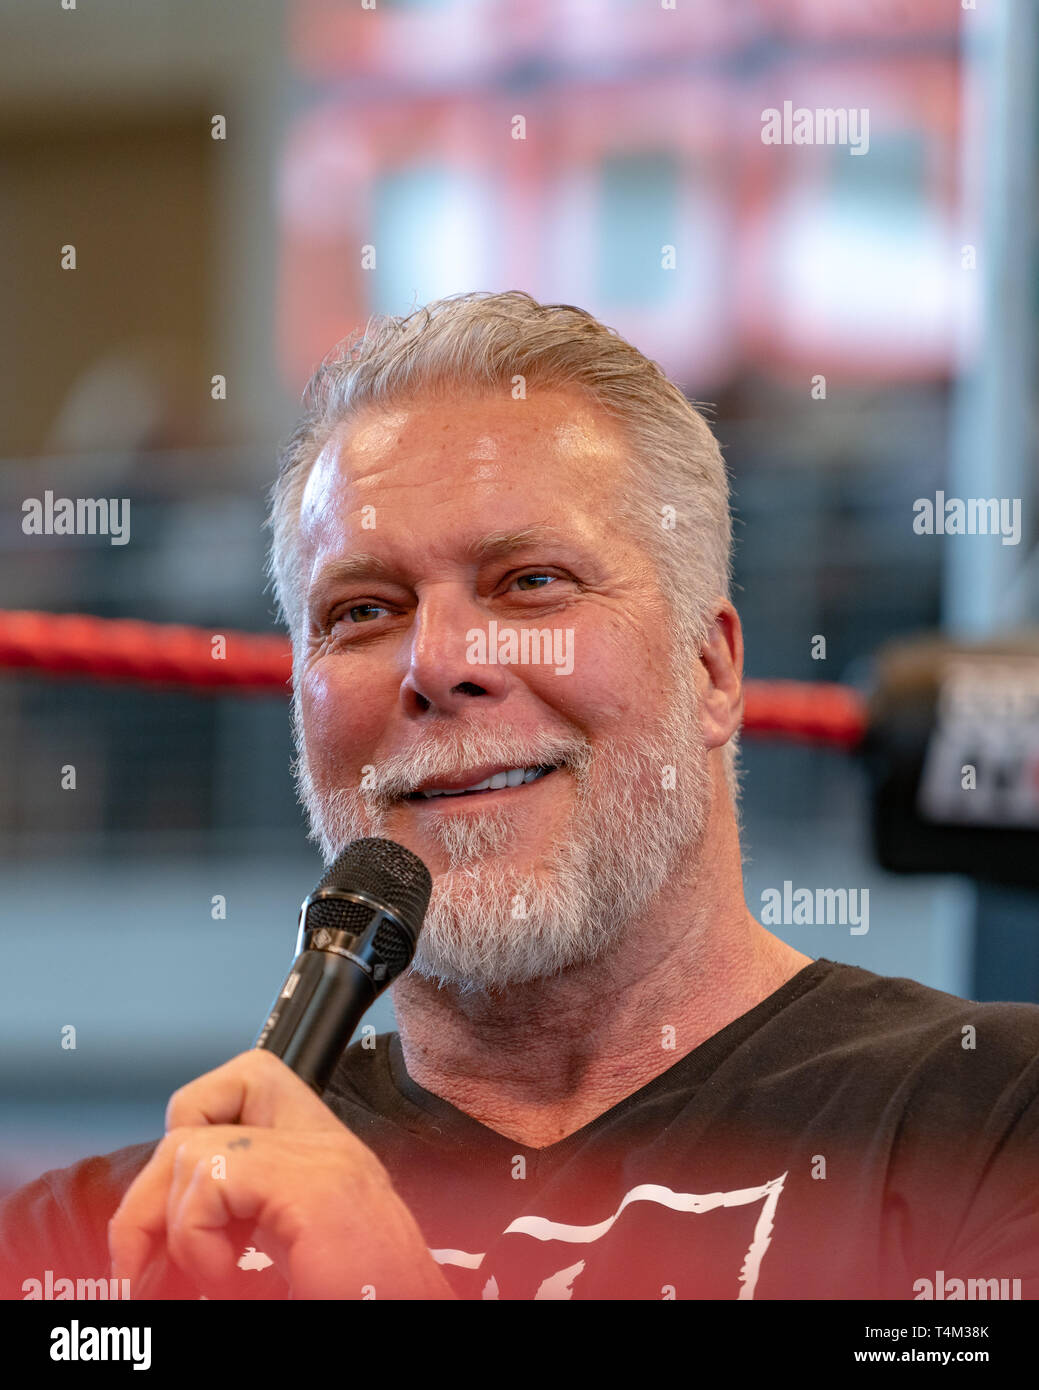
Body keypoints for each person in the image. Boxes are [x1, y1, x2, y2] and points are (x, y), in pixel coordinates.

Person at [2, 291, 1037, 1301]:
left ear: (713, 671)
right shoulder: (100, 1245)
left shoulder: (993, 1126)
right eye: (363, 609)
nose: (440, 660)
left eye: (530, 582)